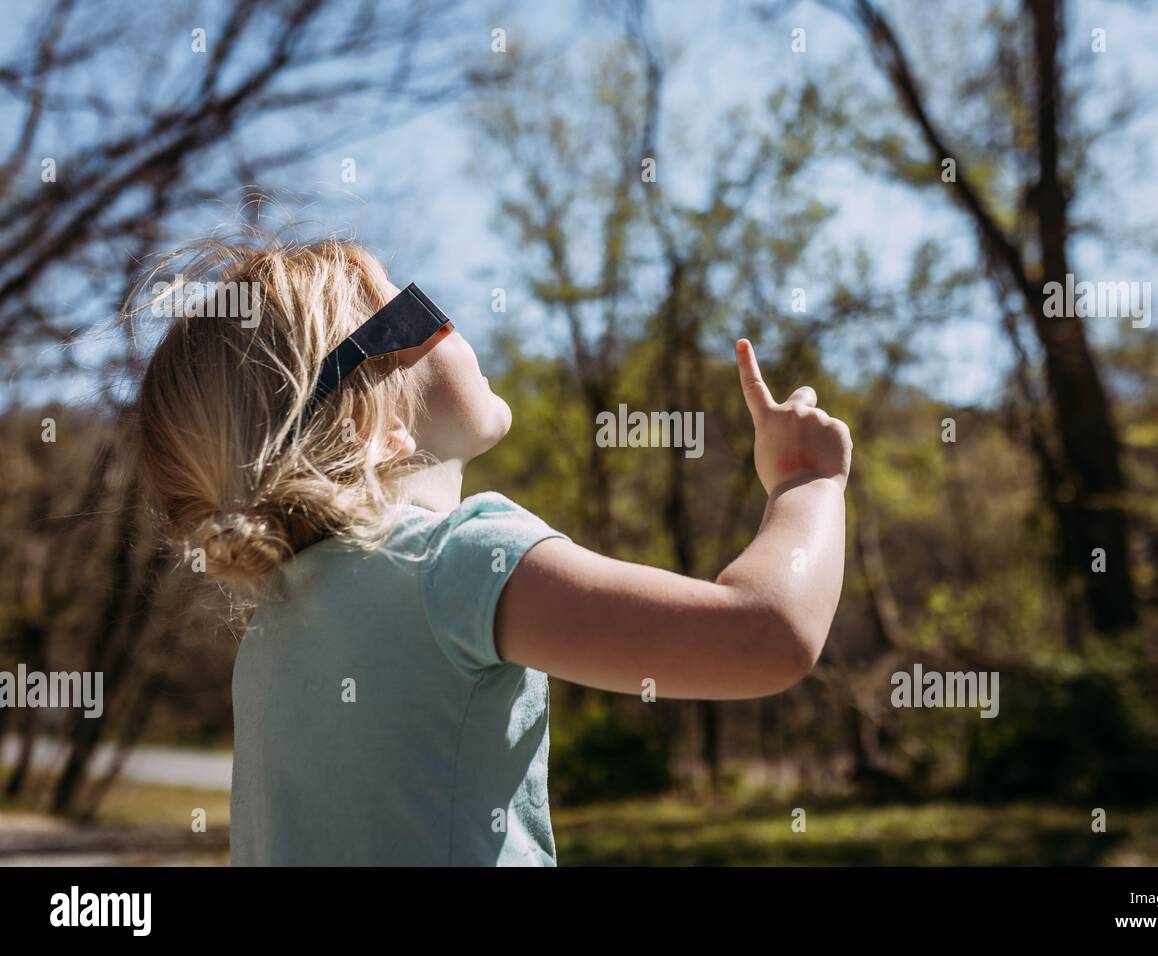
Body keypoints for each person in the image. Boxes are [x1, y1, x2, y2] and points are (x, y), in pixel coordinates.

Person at [134, 237, 852, 865]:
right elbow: (764, 632)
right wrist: (808, 481)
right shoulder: (459, 562)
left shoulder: (273, 630)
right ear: (366, 423)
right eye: (415, 313)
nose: (452, 323)